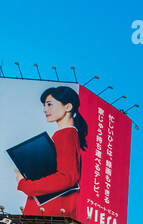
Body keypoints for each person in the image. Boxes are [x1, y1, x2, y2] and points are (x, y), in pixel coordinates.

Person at [14, 85, 88, 217]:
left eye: (49, 104)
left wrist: (25, 185)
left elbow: (67, 177)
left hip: (50, 212)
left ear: (68, 107)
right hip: (56, 211)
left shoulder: (65, 135)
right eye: (44, 105)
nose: (45, 109)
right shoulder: (68, 134)